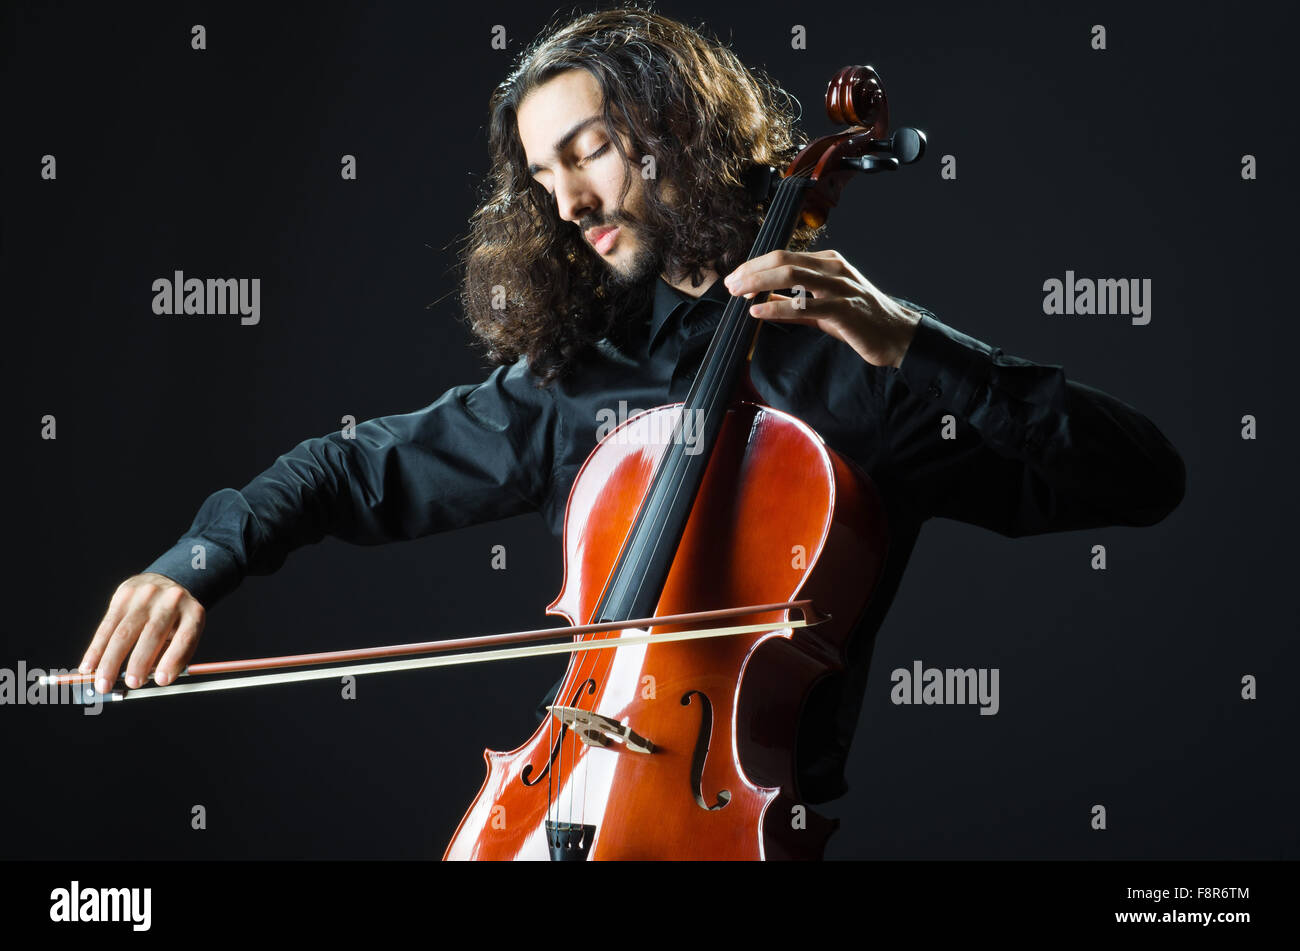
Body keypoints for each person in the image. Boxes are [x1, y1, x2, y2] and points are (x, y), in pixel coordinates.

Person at [76, 8, 1184, 806]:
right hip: (567, 795)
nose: (564, 202)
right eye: (541, 174)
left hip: (736, 819)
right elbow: (350, 470)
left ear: (677, 130)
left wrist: (915, 344)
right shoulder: (581, 383)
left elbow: (1141, 479)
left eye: (586, 152)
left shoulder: (867, 381)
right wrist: (194, 561)